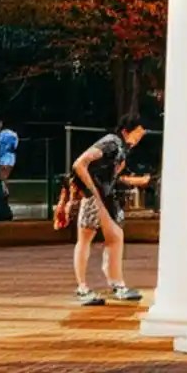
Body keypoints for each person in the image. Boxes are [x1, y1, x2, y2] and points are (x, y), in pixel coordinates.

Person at [70, 114, 150, 306]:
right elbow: (79, 164)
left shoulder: (121, 148)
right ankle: (83, 287)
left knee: (115, 237)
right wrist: (92, 192)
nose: (138, 139)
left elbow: (110, 177)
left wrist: (134, 181)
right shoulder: (112, 143)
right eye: (137, 135)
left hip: (101, 198)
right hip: (93, 197)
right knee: (87, 238)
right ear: (125, 131)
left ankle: (116, 284)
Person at [0, 119, 19, 192]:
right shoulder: (14, 135)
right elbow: (15, 147)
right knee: (4, 178)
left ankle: (4, 193)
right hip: (11, 159)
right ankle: (5, 193)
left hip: (2, 158)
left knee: (2, 178)